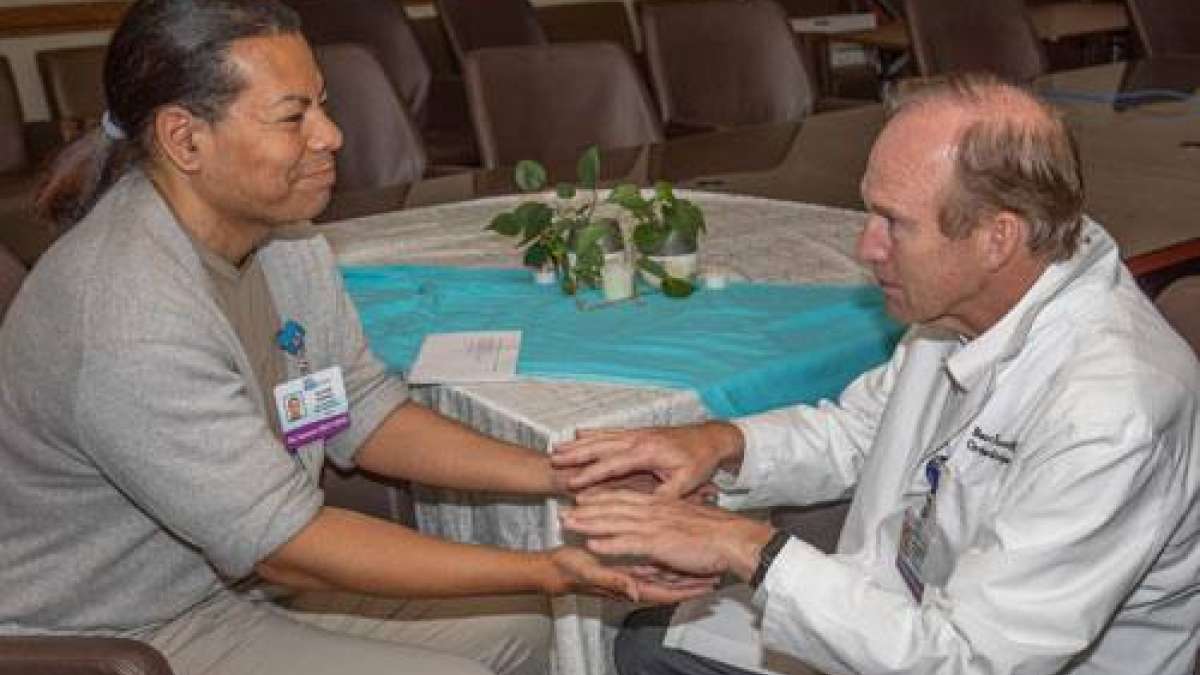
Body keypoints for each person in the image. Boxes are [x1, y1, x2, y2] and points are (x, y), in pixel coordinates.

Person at [0, 2, 709, 675]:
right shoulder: (128, 315)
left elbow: (358, 410)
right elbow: (289, 545)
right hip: (120, 630)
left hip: (227, 581)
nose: (330, 135)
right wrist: (550, 565)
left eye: (323, 103)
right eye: (293, 116)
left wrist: (563, 473)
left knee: (525, 627)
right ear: (186, 138)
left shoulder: (281, 237)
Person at [555, 74, 1200, 675]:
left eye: (895, 222)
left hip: (960, 657)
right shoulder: (970, 301)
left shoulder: (1114, 411)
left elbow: (969, 659)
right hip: (906, 615)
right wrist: (722, 446)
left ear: (998, 237)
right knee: (645, 639)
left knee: (649, 650)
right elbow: (864, 430)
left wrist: (749, 548)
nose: (866, 247)